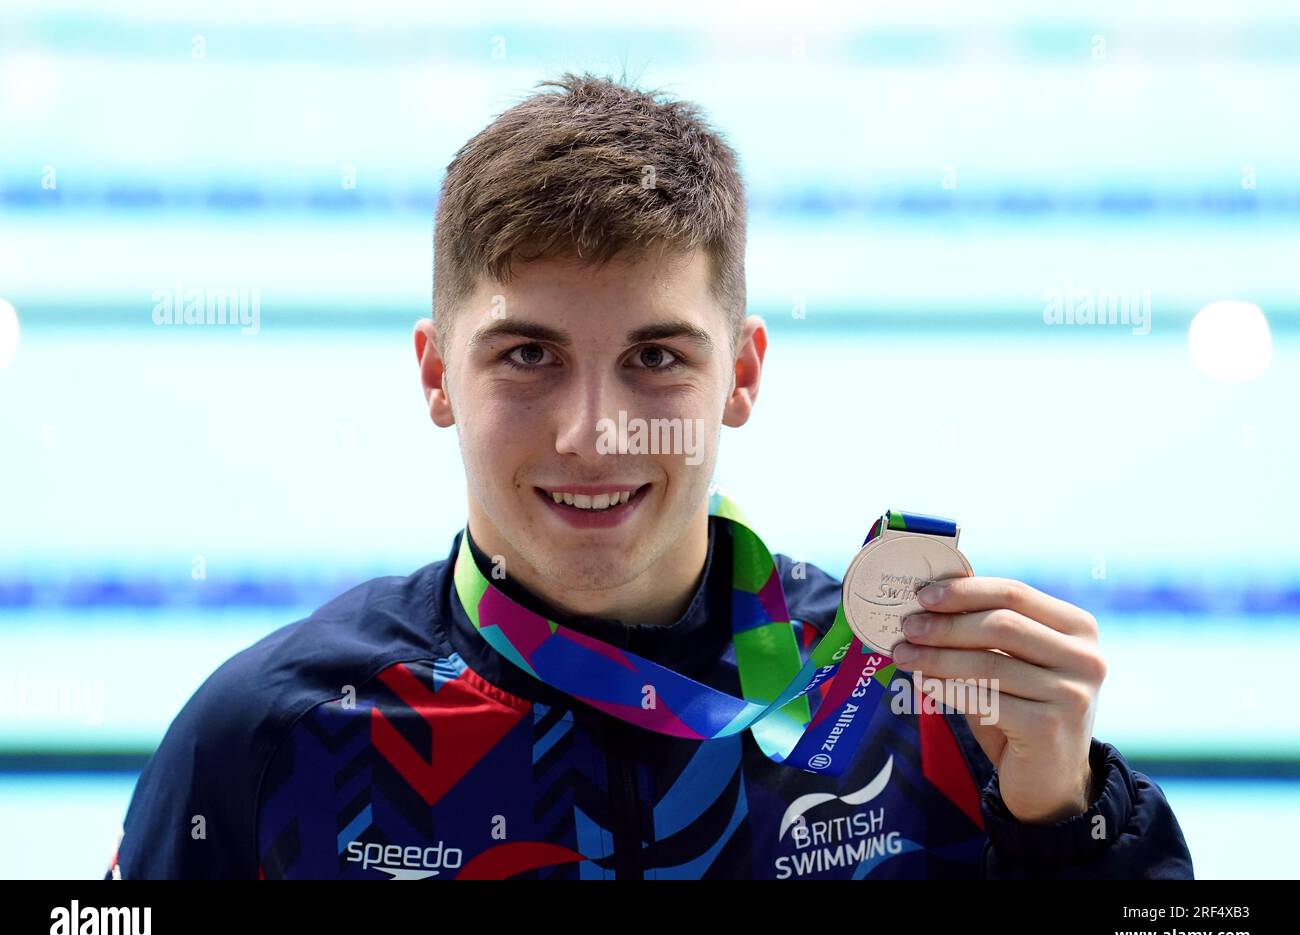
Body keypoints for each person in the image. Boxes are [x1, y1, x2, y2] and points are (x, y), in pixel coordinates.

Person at [106, 71, 1193, 880]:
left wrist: (1070, 817)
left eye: (656, 358)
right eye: (526, 354)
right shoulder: (271, 734)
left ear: (742, 374)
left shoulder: (918, 701)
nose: (593, 433)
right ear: (437, 374)